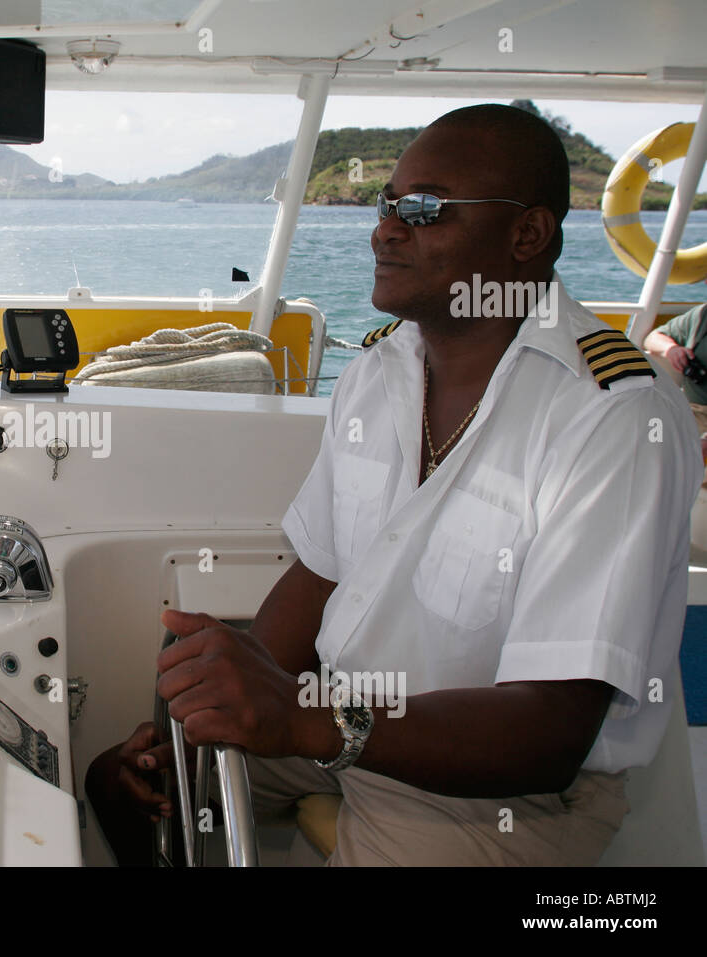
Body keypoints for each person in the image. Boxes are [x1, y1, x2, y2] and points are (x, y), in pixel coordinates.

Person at [85, 104, 703, 866]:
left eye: (423, 210)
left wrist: (308, 721)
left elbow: (549, 733)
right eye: (387, 205)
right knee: (121, 783)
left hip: (500, 795)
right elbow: (319, 577)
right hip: (348, 722)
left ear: (527, 235)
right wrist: (228, 709)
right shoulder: (380, 373)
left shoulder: (612, 415)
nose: (384, 230)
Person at [643, 301, 707, 464]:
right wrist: (671, 349)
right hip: (690, 412)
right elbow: (653, 338)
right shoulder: (701, 316)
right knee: (643, 433)